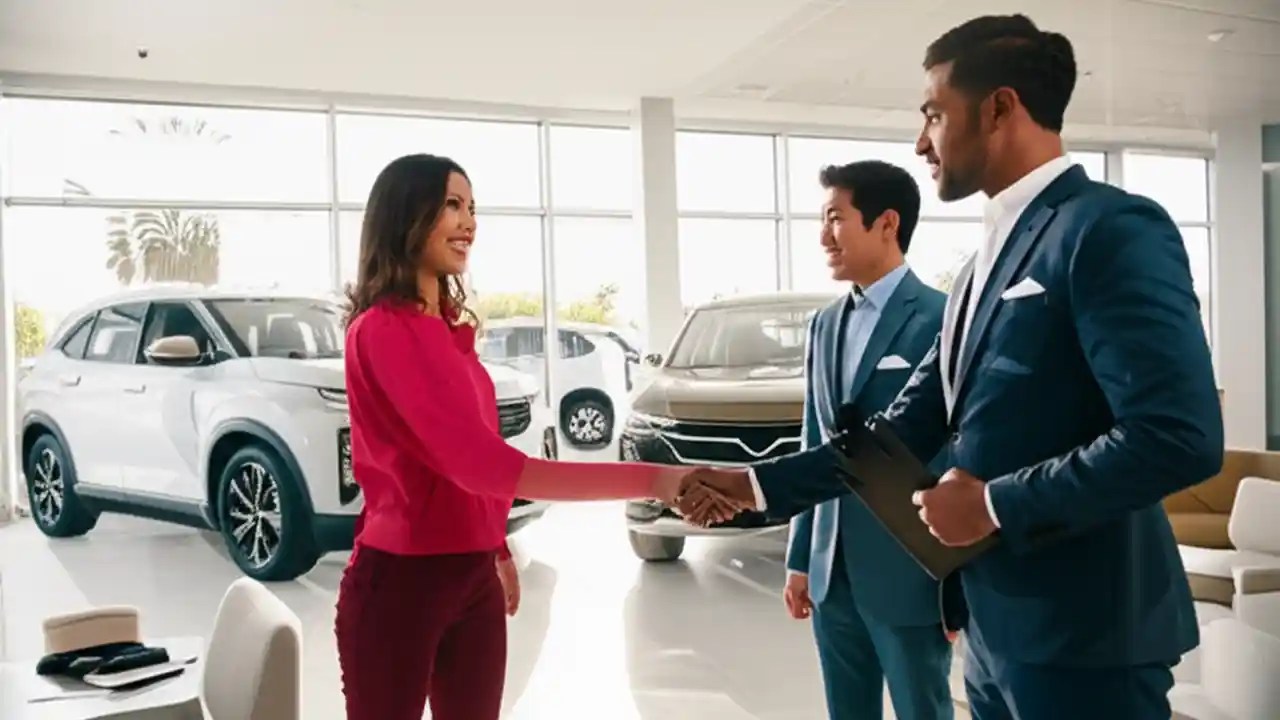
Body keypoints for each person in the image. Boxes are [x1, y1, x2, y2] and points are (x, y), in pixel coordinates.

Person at [677, 14, 1222, 720]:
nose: (920, 141)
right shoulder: (974, 272)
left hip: (1086, 638)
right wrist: (752, 486)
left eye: (933, 113)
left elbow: (1177, 436)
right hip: (993, 634)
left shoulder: (1110, 228)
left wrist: (995, 503)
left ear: (1000, 107)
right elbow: (894, 435)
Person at [334, 153, 690, 720]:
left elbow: (462, 464)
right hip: (401, 584)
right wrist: (657, 479)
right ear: (406, 214)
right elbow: (480, 465)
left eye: (472, 207)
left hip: (471, 576)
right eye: (452, 205)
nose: (468, 221)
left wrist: (495, 545)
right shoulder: (382, 330)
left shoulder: (449, 333)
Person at [784, 160, 953, 720]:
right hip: (834, 573)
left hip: (910, 566)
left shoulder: (942, 318)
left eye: (836, 218)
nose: (824, 235)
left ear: (886, 223)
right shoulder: (824, 325)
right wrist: (801, 557)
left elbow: (959, 447)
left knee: (921, 709)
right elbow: (814, 438)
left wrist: (956, 579)